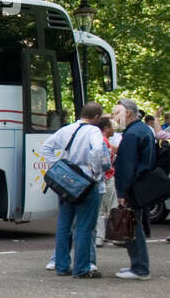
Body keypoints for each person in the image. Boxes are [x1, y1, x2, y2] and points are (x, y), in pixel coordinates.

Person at [40, 101, 108, 278]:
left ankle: (61, 266)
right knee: (85, 226)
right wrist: (96, 171)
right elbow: (98, 151)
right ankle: (82, 268)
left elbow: (46, 148)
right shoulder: (94, 131)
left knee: (64, 225)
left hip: (65, 182)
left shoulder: (66, 129)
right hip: (85, 182)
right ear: (97, 117)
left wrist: (57, 168)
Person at [112, 97, 156, 280]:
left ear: (127, 113)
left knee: (132, 226)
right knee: (135, 225)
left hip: (133, 186)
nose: (114, 116)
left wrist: (122, 192)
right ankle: (138, 265)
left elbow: (126, 165)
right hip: (142, 184)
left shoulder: (131, 134)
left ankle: (139, 267)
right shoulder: (144, 129)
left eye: (116, 113)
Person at [94, 116, 118, 248]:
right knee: (106, 208)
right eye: (111, 126)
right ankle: (103, 236)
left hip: (104, 177)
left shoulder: (102, 140)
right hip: (107, 178)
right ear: (106, 128)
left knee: (105, 208)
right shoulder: (104, 142)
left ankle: (102, 235)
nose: (113, 129)